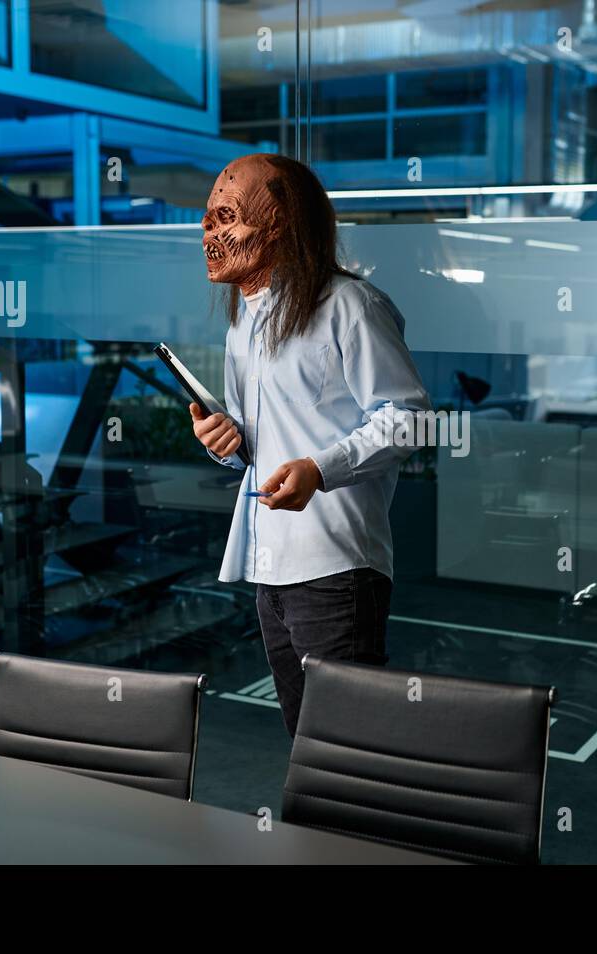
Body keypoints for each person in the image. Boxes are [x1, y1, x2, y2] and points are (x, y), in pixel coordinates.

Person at [190, 153, 431, 739]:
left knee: (348, 747)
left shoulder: (349, 306)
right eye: (206, 221)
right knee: (306, 742)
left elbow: (409, 420)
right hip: (268, 565)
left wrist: (320, 470)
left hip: (336, 567)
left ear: (277, 223)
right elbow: (254, 440)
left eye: (226, 217)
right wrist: (223, 440)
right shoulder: (242, 323)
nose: (209, 236)